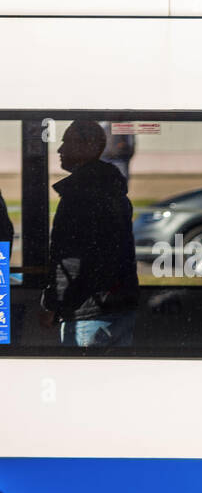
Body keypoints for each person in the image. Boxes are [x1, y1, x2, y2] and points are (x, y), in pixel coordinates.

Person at [39, 120, 138, 347]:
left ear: (88, 147)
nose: (60, 149)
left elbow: (70, 262)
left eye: (67, 142)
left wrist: (52, 306)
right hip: (119, 308)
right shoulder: (115, 192)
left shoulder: (78, 197)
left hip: (88, 313)